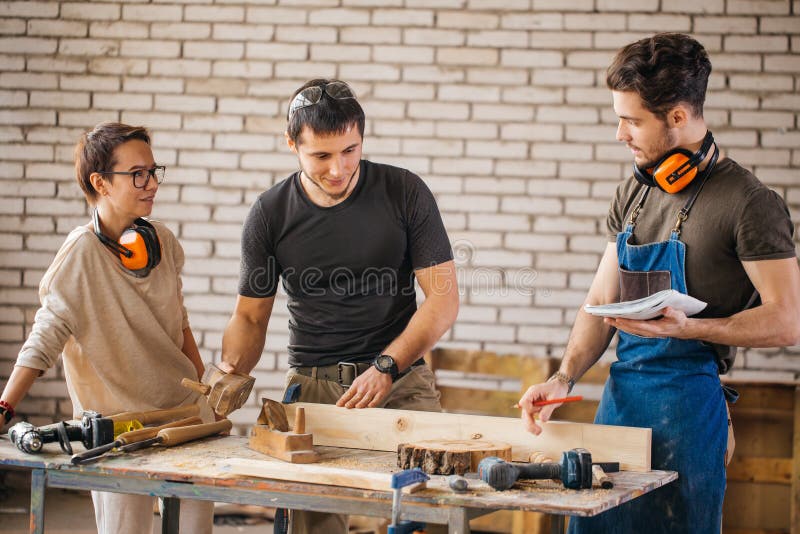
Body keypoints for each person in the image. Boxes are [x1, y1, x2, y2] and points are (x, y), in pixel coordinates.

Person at [518, 33, 800, 533]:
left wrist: (690, 329)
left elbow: (787, 320)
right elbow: (600, 301)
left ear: (678, 116)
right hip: (621, 403)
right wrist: (562, 379)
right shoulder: (634, 192)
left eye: (632, 121)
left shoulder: (749, 203)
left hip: (690, 413)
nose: (620, 134)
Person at [219, 78, 459, 533]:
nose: (338, 168)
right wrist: (229, 374)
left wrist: (386, 366)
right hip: (313, 388)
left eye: (350, 150)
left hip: (400, 380)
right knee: (314, 524)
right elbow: (250, 316)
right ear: (292, 144)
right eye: (321, 156)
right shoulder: (269, 213)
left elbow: (444, 300)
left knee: (425, 513)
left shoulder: (404, 191)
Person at [0, 122, 215, 534]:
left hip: (184, 418)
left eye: (153, 171)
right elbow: (43, 340)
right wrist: (5, 408)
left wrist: (207, 395)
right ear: (100, 182)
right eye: (137, 174)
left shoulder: (163, 241)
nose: (152, 183)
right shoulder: (80, 253)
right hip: (117, 430)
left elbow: (179, 322)